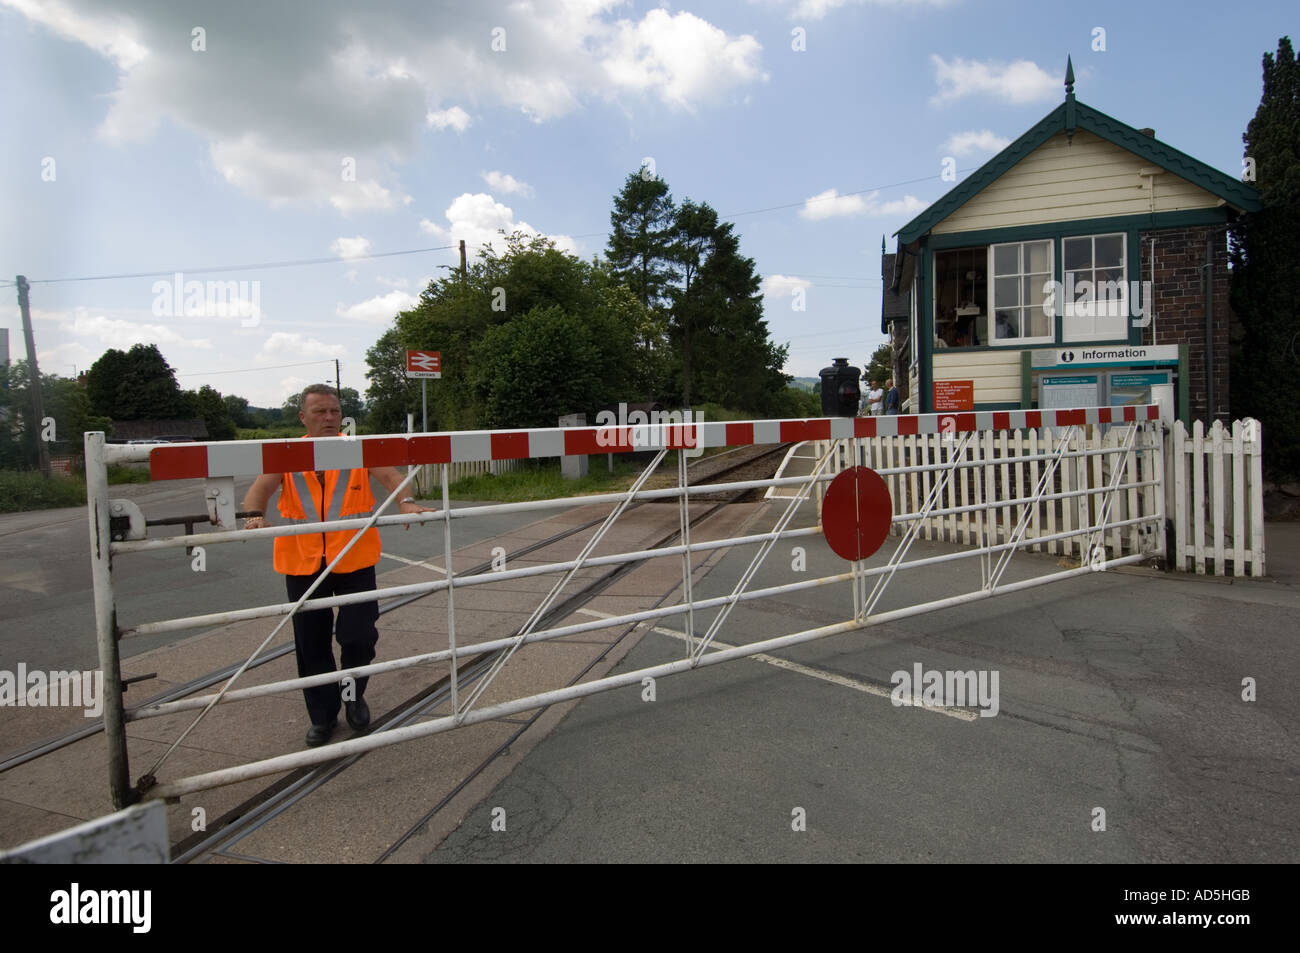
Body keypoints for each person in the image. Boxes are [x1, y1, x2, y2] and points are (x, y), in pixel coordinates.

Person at [241, 384, 431, 747]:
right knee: (311, 644)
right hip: (302, 562)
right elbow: (260, 490)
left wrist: (406, 500)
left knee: (359, 636)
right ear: (303, 417)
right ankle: (323, 717)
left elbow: (392, 477)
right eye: (320, 412)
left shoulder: (356, 448)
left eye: (333, 412)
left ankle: (352, 696)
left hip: (354, 558)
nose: (329, 418)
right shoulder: (287, 453)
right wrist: (253, 515)